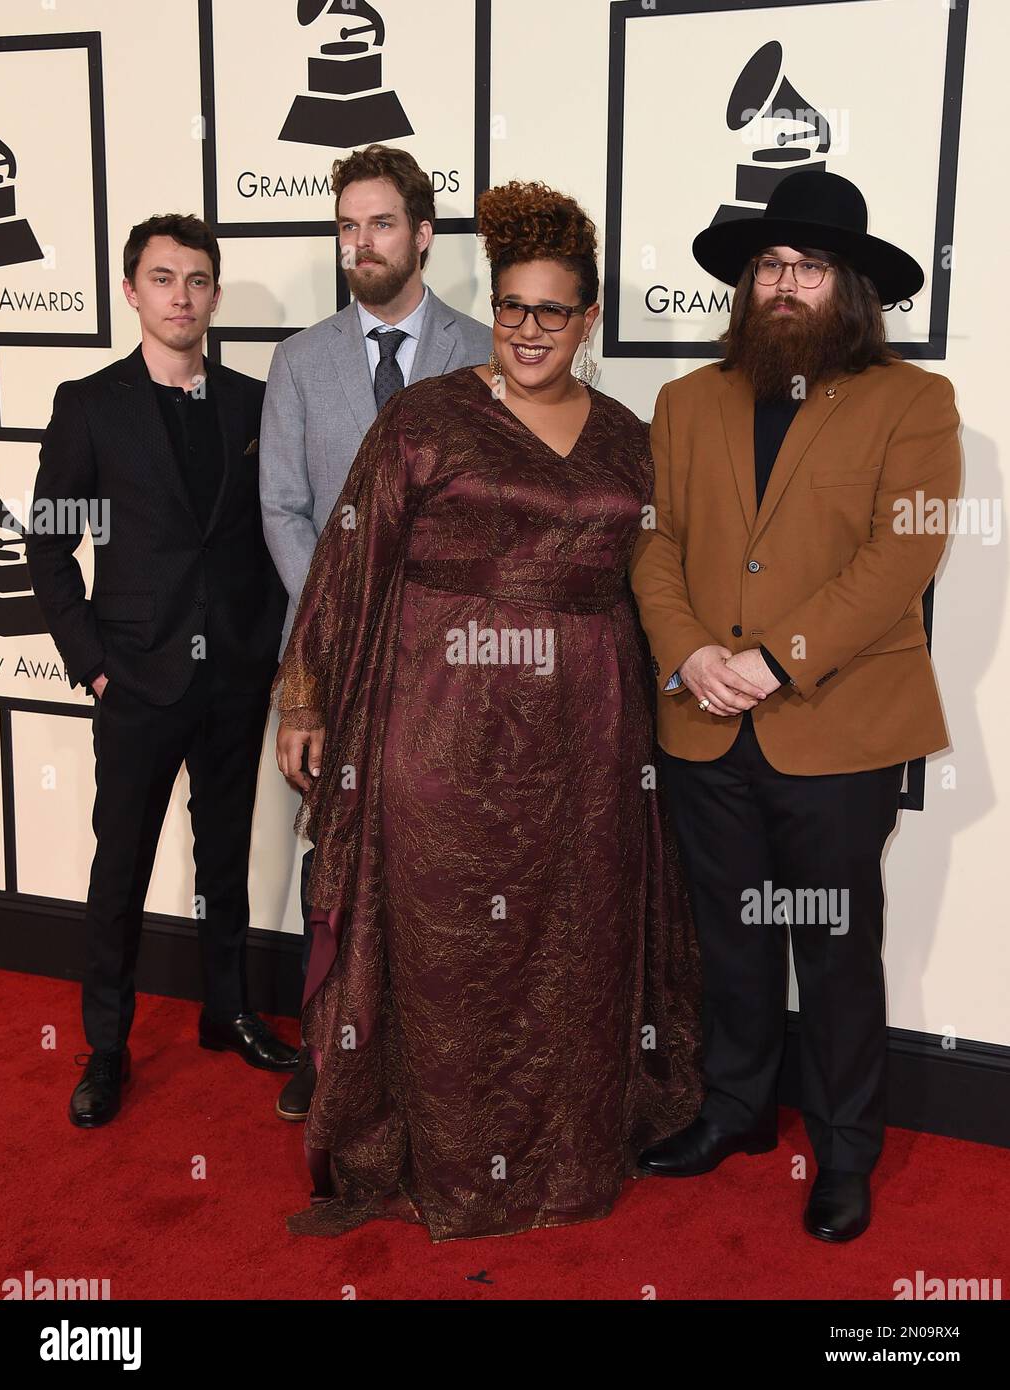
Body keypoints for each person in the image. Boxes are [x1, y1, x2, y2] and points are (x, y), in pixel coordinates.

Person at [272, 180, 702, 1241]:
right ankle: (453, 1161)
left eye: (552, 311)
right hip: (444, 726)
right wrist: (307, 696)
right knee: (450, 940)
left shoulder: (629, 438)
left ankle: (567, 1158)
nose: (527, 330)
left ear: (589, 318)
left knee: (575, 937)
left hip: (591, 736)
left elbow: (660, 578)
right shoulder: (426, 416)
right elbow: (345, 564)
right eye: (511, 306)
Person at [630, 170, 961, 1241]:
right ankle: (736, 1111)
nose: (784, 283)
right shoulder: (687, 402)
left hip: (836, 724)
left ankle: (846, 1152)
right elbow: (655, 543)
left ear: (848, 287)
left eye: (808, 267)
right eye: (769, 265)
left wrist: (777, 656)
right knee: (728, 938)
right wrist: (689, 653)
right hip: (702, 721)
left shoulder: (915, 403)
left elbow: (902, 553)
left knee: (832, 945)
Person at [27, 213, 296, 1129]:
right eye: (163, 278)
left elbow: (272, 534)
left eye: (198, 279)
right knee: (120, 871)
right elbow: (51, 549)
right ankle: (106, 1046)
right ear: (133, 290)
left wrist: (264, 652)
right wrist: (95, 665)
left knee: (226, 859)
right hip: (137, 680)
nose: (182, 295)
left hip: (232, 677)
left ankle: (225, 1012)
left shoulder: (255, 403)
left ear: (214, 293)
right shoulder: (89, 404)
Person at [259, 145, 492, 1123]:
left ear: (423, 233)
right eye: (348, 225)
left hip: (452, 667)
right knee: (335, 863)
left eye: (381, 223)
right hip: (336, 660)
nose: (361, 242)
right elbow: (282, 507)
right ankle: (327, 1043)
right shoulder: (300, 359)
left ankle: (434, 1049)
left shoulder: (486, 351)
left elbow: (492, 517)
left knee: (445, 856)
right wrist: (347, 618)